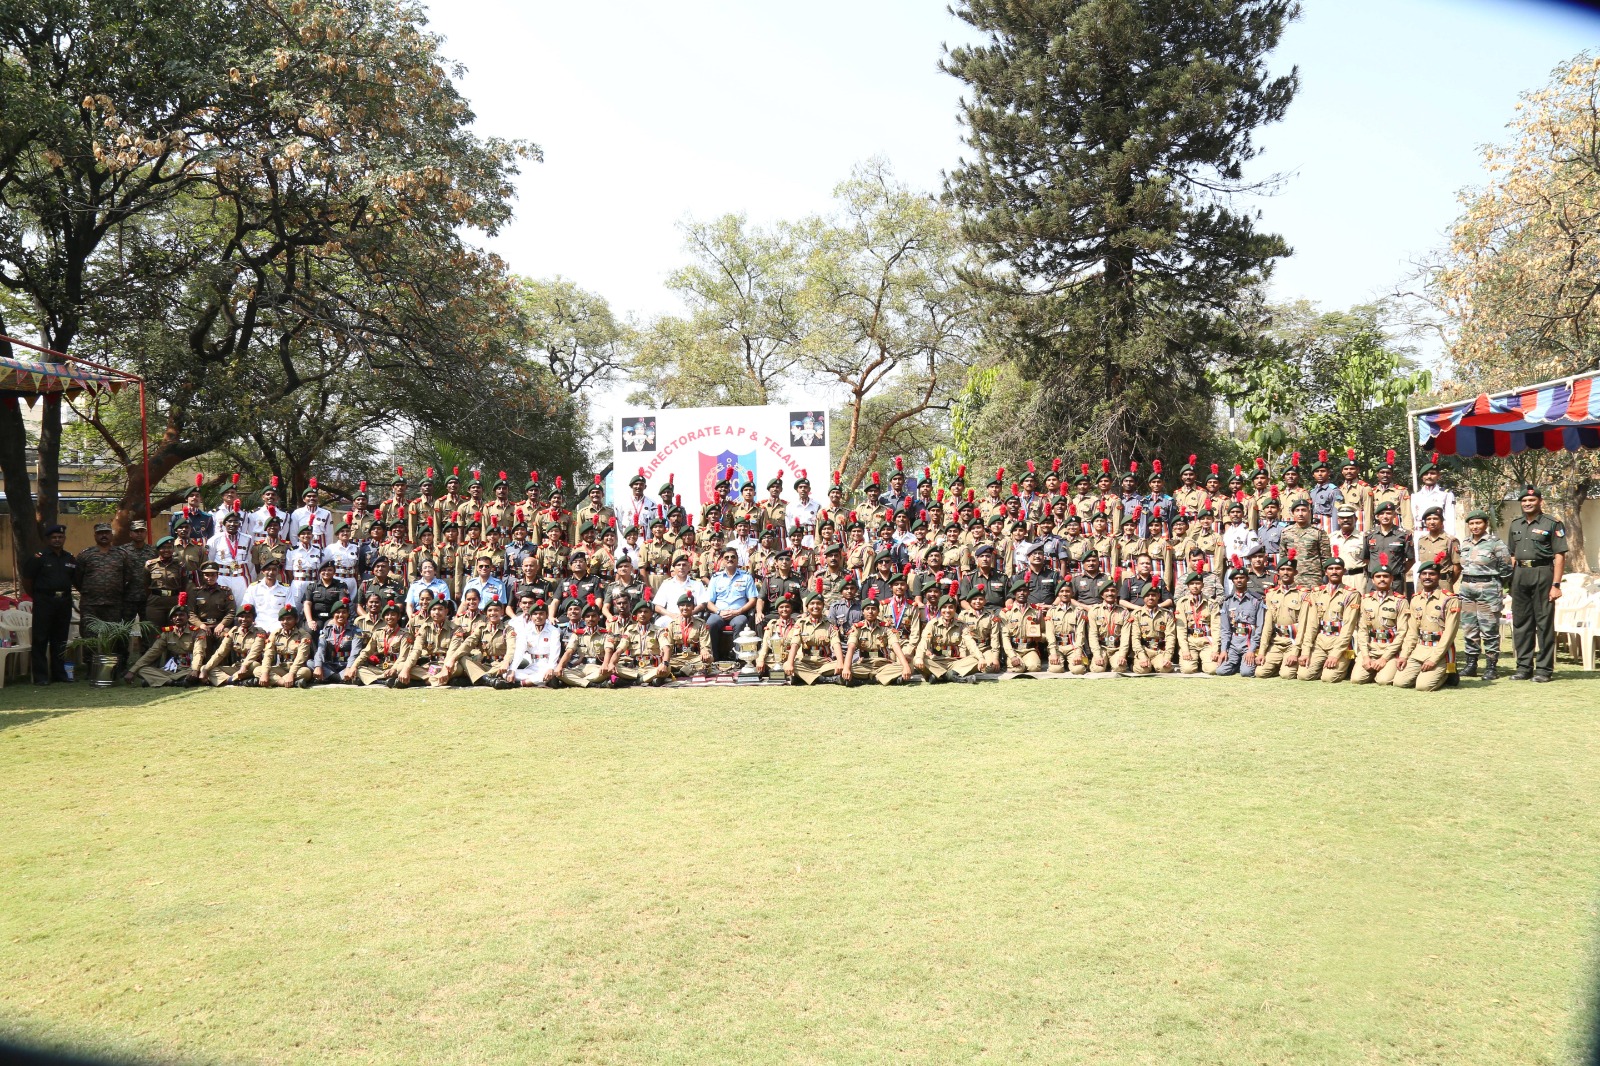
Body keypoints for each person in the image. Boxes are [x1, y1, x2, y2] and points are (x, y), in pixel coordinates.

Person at [1506, 485, 1568, 682]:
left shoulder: (1552, 523)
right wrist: (1511, 581)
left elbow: (1559, 556)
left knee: (1543, 623)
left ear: (1540, 501)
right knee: (1521, 623)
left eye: (1531, 501)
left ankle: (1543, 670)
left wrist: (1556, 585)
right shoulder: (1515, 524)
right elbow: (1513, 555)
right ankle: (1523, 668)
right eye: (1524, 501)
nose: (1527, 504)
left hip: (1543, 574)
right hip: (1520, 575)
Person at [1457, 509, 1511, 680]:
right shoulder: (1464, 543)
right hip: (1467, 589)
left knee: (1489, 629)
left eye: (1478, 523)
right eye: (1472, 524)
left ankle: (1491, 667)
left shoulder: (1496, 544)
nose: (1475, 526)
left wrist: (1495, 585)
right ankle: (1471, 664)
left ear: (1486, 524)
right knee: (1469, 628)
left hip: (1488, 588)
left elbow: (1506, 568)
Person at [1393, 560, 1460, 692]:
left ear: (1438, 576)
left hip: (1439, 651)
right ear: (1420, 577)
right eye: (1424, 574)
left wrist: (1434, 659)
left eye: (1432, 574)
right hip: (1419, 649)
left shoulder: (1450, 599)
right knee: (1399, 682)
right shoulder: (1415, 599)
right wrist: (1404, 655)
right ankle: (1425, 673)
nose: (1427, 577)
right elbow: (1412, 632)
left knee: (1423, 686)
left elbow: (1449, 634)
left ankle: (1448, 674)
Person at [21, 523, 76, 684]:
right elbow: (27, 580)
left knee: (60, 639)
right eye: (54, 537)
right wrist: (39, 595)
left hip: (64, 602)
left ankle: (59, 674)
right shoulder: (38, 558)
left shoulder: (69, 557)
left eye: (60, 537)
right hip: (44, 601)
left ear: (64, 538)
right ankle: (41, 677)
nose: (57, 540)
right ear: (48, 539)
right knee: (40, 639)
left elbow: (73, 578)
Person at [76, 521, 136, 667]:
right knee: (90, 636)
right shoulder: (85, 555)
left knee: (114, 635)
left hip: (113, 603)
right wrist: (91, 590)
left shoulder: (122, 554)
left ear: (111, 535)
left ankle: (114, 666)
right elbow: (77, 578)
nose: (103, 535)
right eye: (100, 533)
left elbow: (128, 576)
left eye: (106, 532)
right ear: (95, 535)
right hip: (90, 604)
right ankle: (91, 666)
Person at [1297, 559, 1360, 682]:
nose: (1334, 571)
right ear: (1325, 572)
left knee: (1329, 678)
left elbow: (1348, 627)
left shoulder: (1351, 594)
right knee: (1303, 675)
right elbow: (1312, 625)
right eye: (1331, 569)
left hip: (1339, 642)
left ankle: (1342, 665)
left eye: (1338, 568)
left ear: (1344, 571)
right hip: (1320, 642)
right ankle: (1322, 666)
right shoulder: (1317, 593)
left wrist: (1335, 654)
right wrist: (1305, 651)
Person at [122, 596, 207, 687]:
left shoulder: (197, 632)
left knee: (200, 670)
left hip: (189, 668)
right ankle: (174, 682)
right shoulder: (166, 633)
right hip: (171, 669)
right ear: (171, 619)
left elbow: (199, 652)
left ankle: (157, 681)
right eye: (175, 616)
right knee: (142, 670)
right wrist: (132, 670)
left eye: (181, 615)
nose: (178, 617)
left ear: (188, 617)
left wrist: (194, 670)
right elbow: (153, 652)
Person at [1350, 568, 1409, 686]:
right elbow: (1362, 631)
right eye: (1378, 576)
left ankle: (1383, 669)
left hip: (1390, 650)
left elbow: (1402, 633)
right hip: (1371, 648)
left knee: (1383, 680)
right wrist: (1366, 656)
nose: (1382, 579)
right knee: (1357, 679)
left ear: (1391, 579)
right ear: (1372, 580)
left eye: (1386, 576)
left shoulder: (1400, 601)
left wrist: (1384, 658)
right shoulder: (1366, 600)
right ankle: (1373, 668)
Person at [911, 592, 981, 682]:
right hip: (936, 661)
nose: (947, 610)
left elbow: (970, 642)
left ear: (955, 609)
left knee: (976, 660)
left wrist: (981, 658)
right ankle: (951, 676)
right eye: (944, 607)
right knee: (916, 660)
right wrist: (919, 658)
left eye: (951, 607)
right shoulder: (932, 624)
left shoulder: (961, 625)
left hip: (955, 662)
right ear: (940, 609)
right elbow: (924, 641)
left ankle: (939, 676)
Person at [704, 546, 758, 663]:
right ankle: (713, 658)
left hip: (738, 613)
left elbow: (753, 599)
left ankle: (740, 659)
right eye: (726, 557)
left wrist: (739, 611)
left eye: (733, 557)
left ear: (737, 560)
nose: (730, 559)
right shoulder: (715, 578)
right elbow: (709, 602)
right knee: (710, 623)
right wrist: (719, 612)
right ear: (722, 561)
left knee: (740, 623)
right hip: (719, 613)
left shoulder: (746, 577)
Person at [201, 604, 265, 685]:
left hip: (252, 665)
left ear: (253, 619)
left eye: (248, 617)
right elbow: (220, 652)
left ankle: (231, 680)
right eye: (241, 616)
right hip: (238, 666)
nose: (244, 619)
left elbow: (254, 652)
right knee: (207, 668)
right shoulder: (233, 632)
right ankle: (237, 682)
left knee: (255, 666)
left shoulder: (259, 632)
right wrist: (205, 669)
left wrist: (244, 666)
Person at [1214, 569, 1262, 677]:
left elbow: (1259, 628)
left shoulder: (1256, 600)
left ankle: (1244, 664)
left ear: (1247, 579)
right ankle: (1237, 664)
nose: (1239, 580)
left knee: (1246, 672)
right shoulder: (1228, 602)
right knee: (1220, 671)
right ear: (1232, 581)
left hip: (1248, 643)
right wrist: (1223, 650)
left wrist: (1252, 649)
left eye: (1242, 577)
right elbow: (1225, 629)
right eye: (1236, 578)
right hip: (1234, 644)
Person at [257, 605, 315, 688]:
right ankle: (285, 683)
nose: (285, 622)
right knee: (258, 670)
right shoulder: (275, 634)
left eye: (289, 619)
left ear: (296, 620)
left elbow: (301, 657)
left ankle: (276, 681)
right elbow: (268, 654)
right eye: (282, 619)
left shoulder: (304, 635)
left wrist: (291, 674)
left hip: (298, 669)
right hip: (282, 668)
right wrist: (265, 673)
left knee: (306, 672)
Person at [1176, 570, 1221, 675]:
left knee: (1212, 670)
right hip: (1190, 641)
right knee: (1187, 670)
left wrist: (1215, 649)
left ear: (1203, 585)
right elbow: (1181, 629)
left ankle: (1204, 661)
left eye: (1197, 583)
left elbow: (1216, 628)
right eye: (1192, 584)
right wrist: (1185, 649)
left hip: (1206, 641)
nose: (1195, 586)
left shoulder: (1212, 603)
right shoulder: (1182, 603)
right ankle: (1196, 661)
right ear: (1187, 586)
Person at [1127, 584, 1176, 674]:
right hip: (1144, 650)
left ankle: (1154, 664)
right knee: (1142, 670)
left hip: (1159, 651)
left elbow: (1170, 636)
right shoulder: (1136, 614)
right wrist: (1141, 656)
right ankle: (1134, 664)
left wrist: (1167, 657)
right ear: (1143, 597)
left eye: (1153, 595)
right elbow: (1135, 638)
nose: (1150, 598)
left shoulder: (1167, 614)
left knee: (1165, 669)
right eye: (1147, 595)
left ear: (1158, 596)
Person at [312, 600, 364, 684]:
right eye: (337, 612)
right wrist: (318, 666)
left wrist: (349, 667)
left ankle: (330, 678)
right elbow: (320, 650)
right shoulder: (327, 630)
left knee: (361, 667)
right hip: (331, 665)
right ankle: (341, 678)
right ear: (333, 614)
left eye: (344, 612)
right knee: (310, 663)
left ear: (348, 614)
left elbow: (355, 652)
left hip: (346, 664)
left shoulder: (355, 631)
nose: (340, 615)